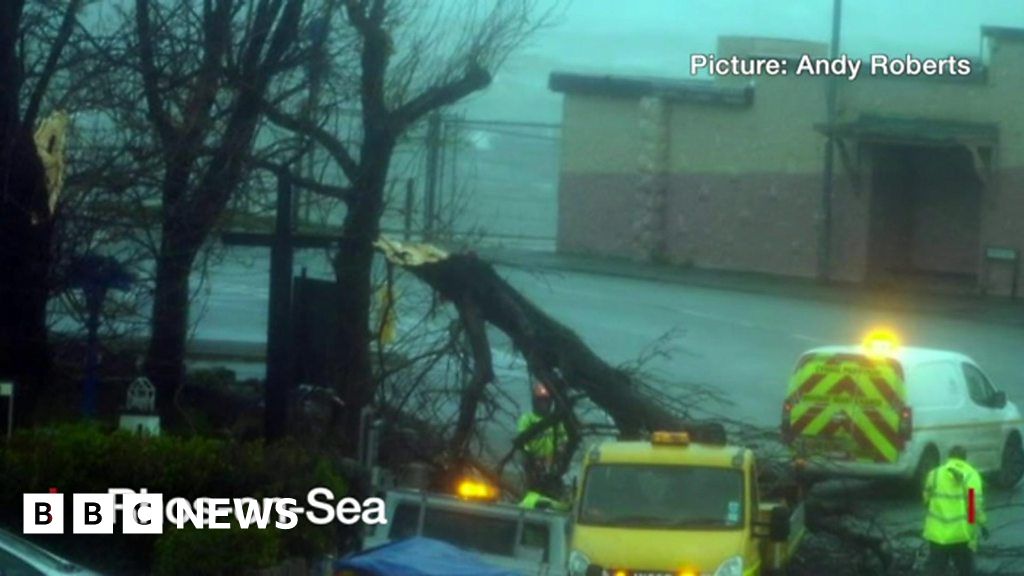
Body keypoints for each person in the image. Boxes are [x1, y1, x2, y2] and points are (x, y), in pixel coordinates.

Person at [922, 446, 988, 576]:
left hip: (937, 535)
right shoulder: (971, 475)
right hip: (961, 535)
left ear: (949, 457)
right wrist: (981, 523)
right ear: (965, 458)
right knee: (965, 570)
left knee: (935, 569)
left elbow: (926, 499)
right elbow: (973, 506)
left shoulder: (934, 474)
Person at [517, 381, 567, 493]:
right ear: (535, 401)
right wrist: (531, 456)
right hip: (533, 463)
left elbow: (564, 440)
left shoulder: (556, 421)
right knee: (532, 489)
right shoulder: (527, 419)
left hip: (553, 462)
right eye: (540, 401)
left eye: (546, 401)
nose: (543, 404)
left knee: (555, 489)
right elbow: (522, 441)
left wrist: (559, 454)